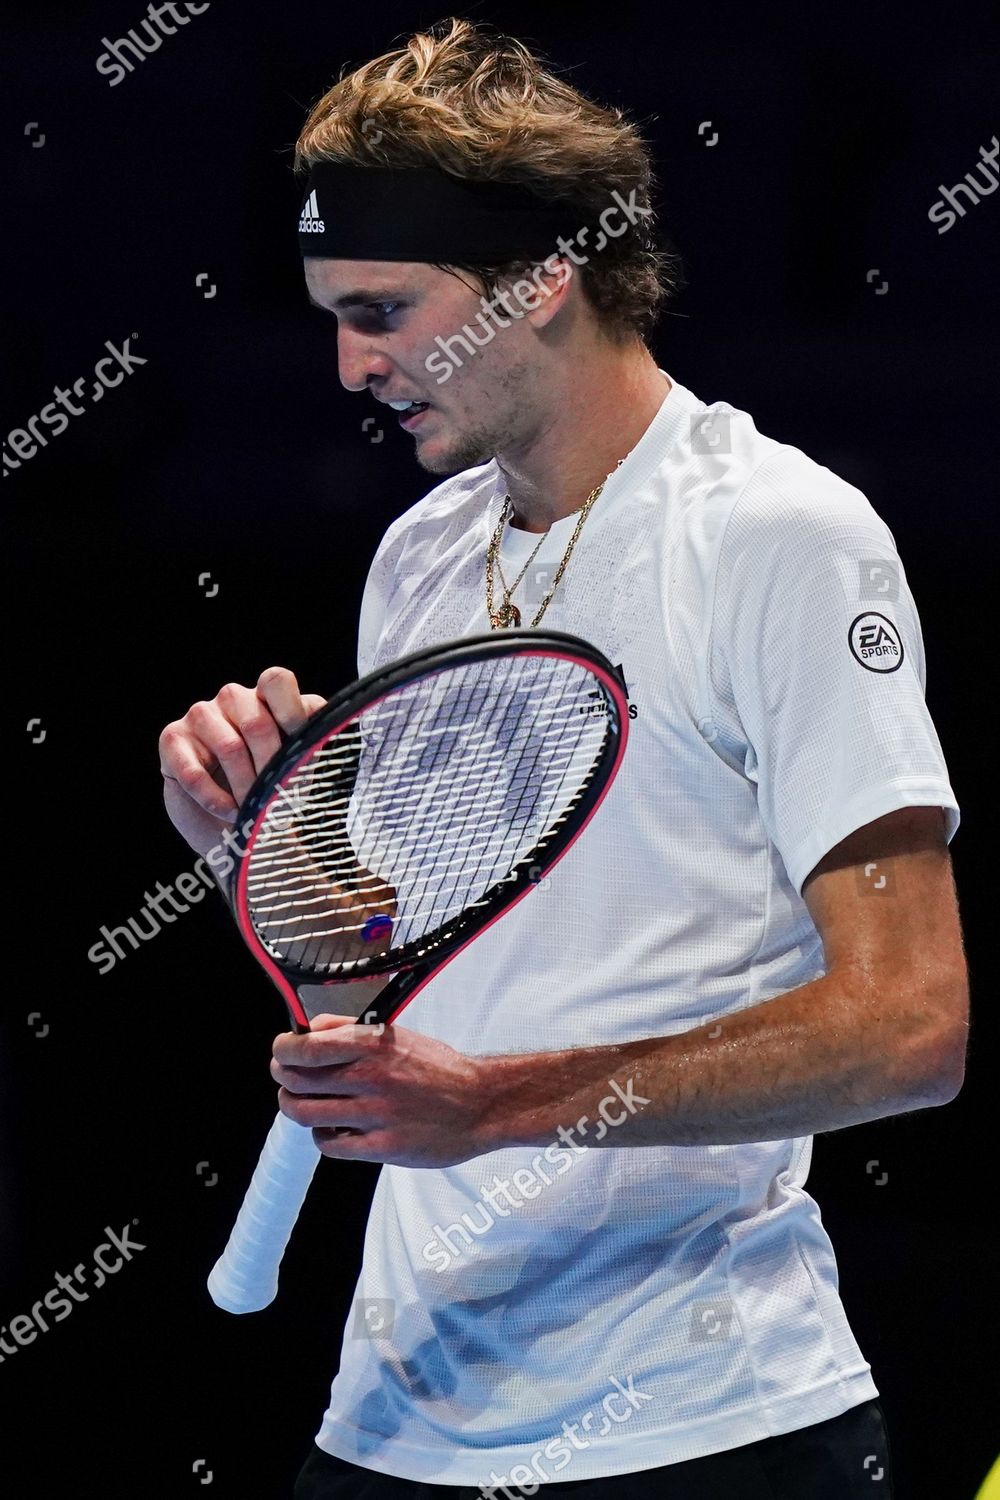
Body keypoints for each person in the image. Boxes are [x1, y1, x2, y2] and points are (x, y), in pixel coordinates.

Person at [158, 18, 969, 1499]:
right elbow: (377, 981)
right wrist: (255, 835)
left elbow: (912, 1030)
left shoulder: (784, 537)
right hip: (395, 1425)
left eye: (386, 311)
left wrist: (497, 1109)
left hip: (710, 1430)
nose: (349, 365)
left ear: (539, 284)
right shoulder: (418, 553)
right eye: (333, 315)